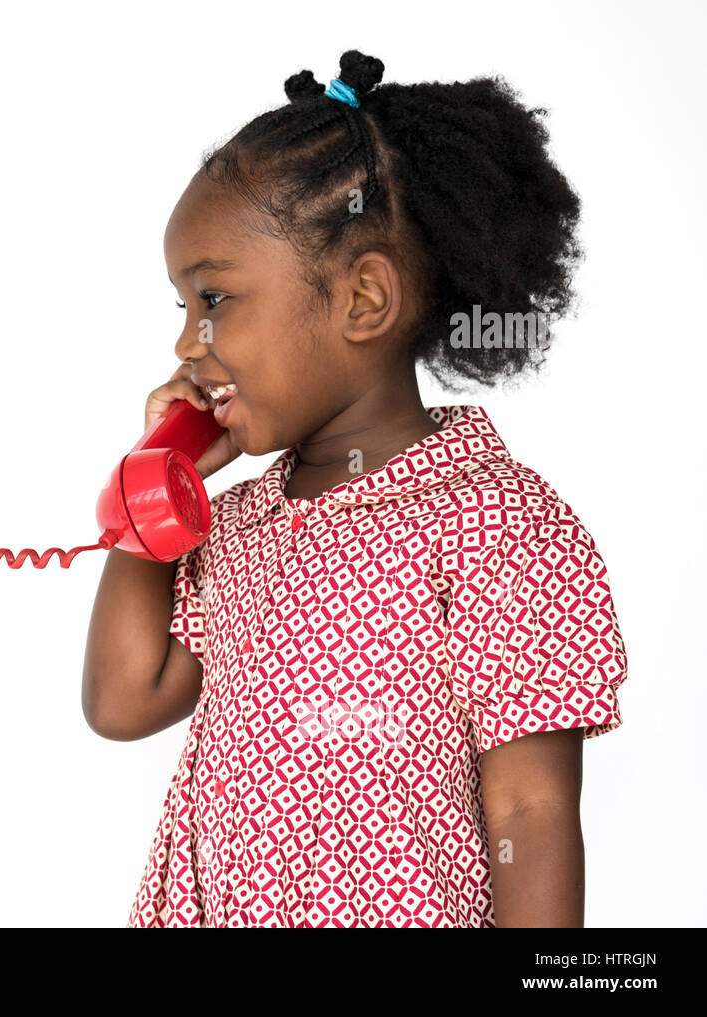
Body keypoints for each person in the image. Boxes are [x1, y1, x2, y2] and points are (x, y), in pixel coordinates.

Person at [82, 50, 629, 928]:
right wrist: (157, 482)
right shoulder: (237, 527)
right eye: (181, 308)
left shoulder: (497, 522)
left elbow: (531, 812)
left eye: (215, 299)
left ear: (364, 298)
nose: (190, 343)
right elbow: (122, 698)